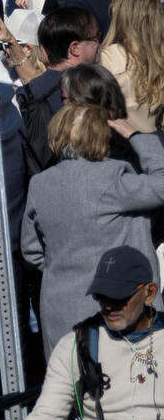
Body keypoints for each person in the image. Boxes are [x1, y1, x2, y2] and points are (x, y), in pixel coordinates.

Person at [22, 77, 164, 340]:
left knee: (71, 369)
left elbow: (31, 251)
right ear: (101, 135)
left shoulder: (40, 184)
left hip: (62, 311)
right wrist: (137, 136)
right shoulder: (112, 178)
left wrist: (66, 267)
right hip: (121, 311)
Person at [17, 244, 164, 420]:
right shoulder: (77, 344)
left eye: (119, 297)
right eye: (102, 297)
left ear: (149, 293)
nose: (108, 307)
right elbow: (47, 417)